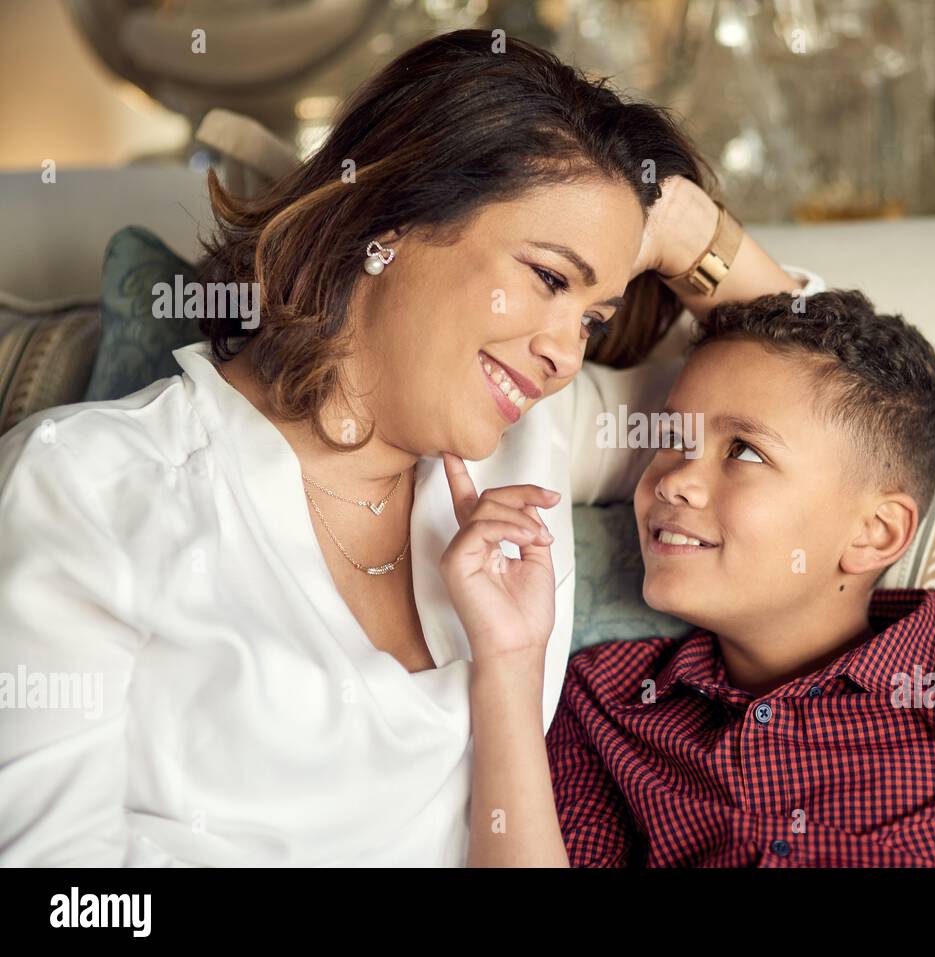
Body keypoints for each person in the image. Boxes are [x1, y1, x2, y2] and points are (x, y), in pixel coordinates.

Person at [0, 30, 824, 866]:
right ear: (387, 224)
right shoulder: (88, 486)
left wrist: (696, 237)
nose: (566, 354)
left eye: (593, 318)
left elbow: (824, 394)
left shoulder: (532, 442)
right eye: (547, 277)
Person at [440, 288, 935, 866]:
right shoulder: (606, 705)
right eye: (668, 440)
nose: (671, 480)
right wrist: (508, 662)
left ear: (875, 533)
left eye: (744, 451)